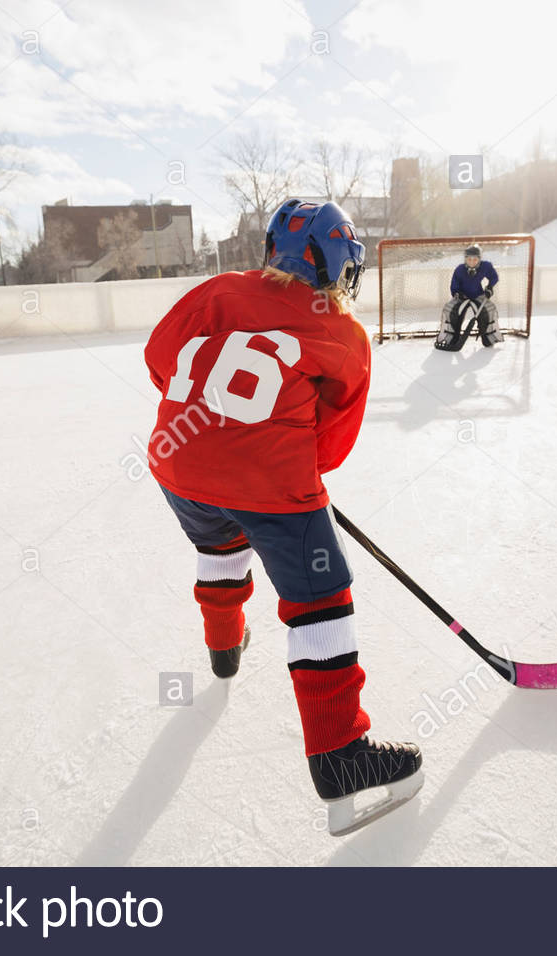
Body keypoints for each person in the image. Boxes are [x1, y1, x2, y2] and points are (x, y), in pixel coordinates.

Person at [143, 198, 423, 835]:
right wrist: (280, 457)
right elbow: (333, 447)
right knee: (320, 600)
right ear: (335, 266)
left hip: (175, 464)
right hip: (266, 479)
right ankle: (339, 757)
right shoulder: (343, 333)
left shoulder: (217, 288)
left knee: (220, 544)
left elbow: (160, 358)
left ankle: (222, 650)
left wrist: (213, 420)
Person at [435, 243, 502, 350]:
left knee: (489, 310)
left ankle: (488, 338)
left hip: (478, 295)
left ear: (479, 259)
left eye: (475, 259)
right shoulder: (459, 269)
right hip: (463, 296)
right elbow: (454, 284)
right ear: (465, 259)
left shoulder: (485, 266)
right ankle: (451, 337)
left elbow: (494, 277)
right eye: (469, 259)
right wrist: (457, 293)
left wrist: (489, 287)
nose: (472, 262)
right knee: (450, 309)